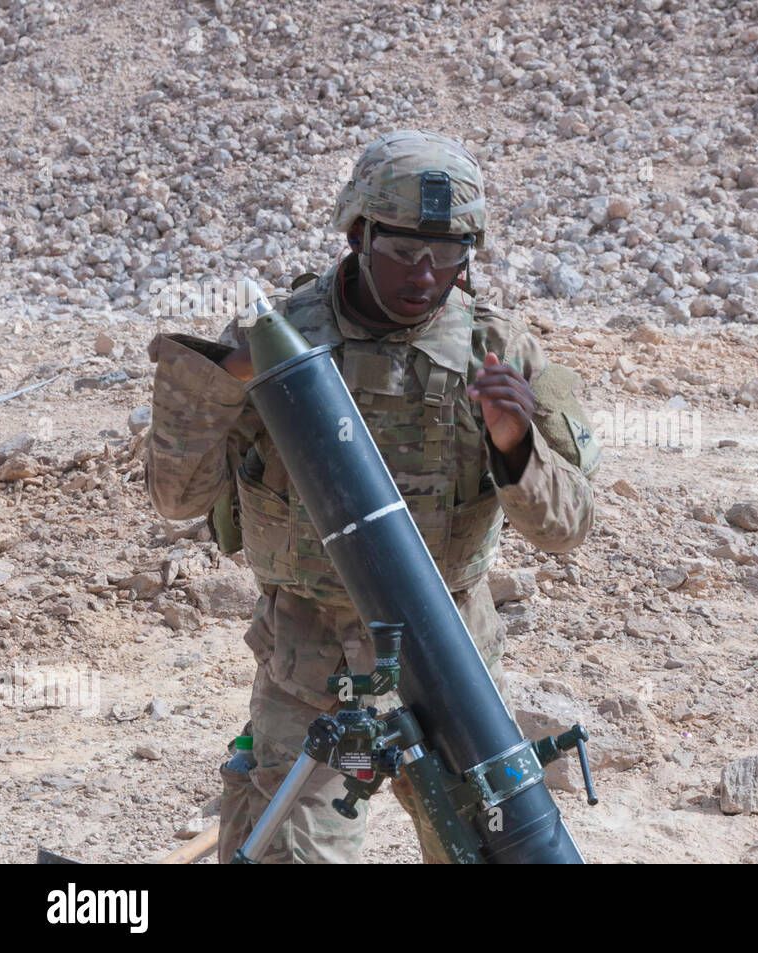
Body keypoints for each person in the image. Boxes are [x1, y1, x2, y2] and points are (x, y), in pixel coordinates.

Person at [145, 130, 601, 863]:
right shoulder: (277, 339)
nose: (426, 274)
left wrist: (517, 445)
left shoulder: (499, 352)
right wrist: (215, 383)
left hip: (449, 660)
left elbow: (568, 527)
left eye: (450, 252)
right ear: (357, 232)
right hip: (310, 664)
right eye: (403, 250)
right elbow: (175, 497)